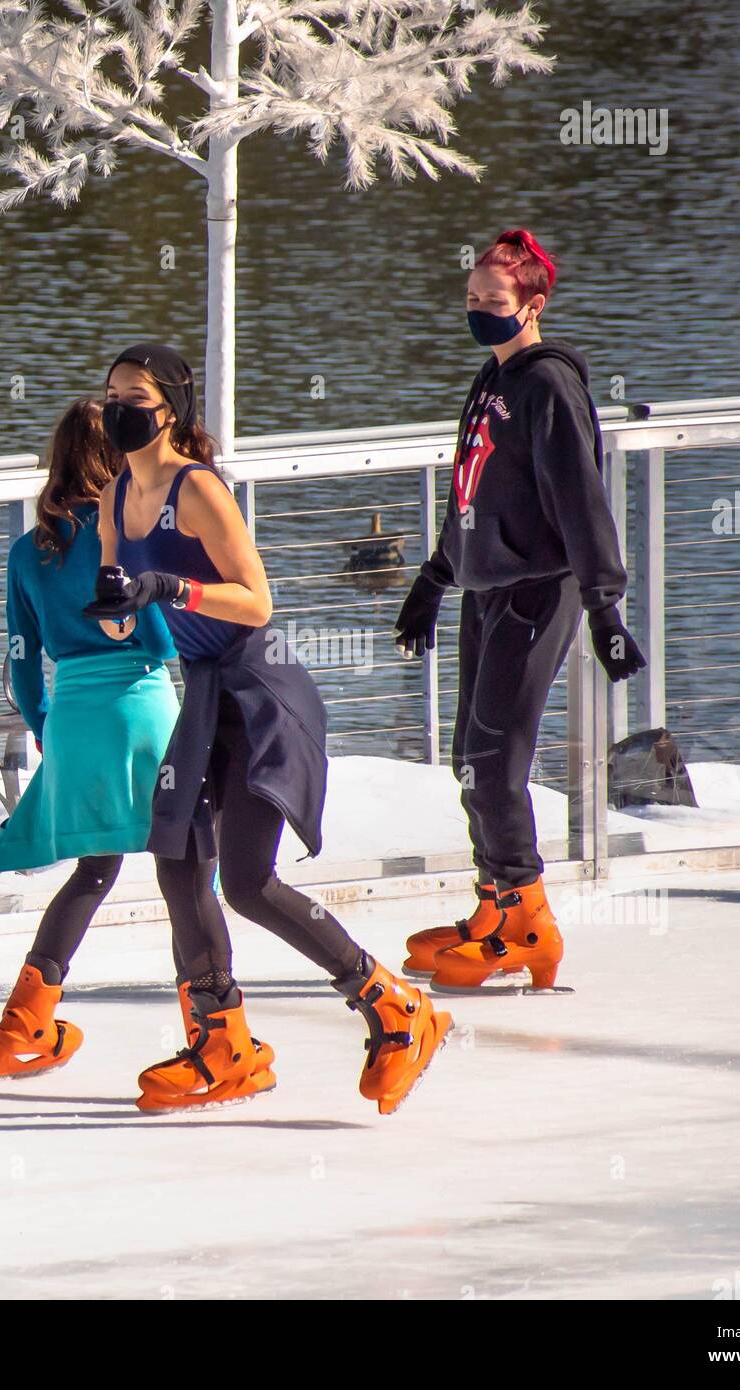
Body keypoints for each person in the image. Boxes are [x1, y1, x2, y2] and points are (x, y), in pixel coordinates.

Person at [83, 342, 453, 1114]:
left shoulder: (199, 490)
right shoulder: (116, 494)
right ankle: (224, 1047)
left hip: (260, 687)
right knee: (178, 860)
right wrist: (118, 614)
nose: (118, 406)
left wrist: (170, 586)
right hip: (203, 695)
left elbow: (257, 602)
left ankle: (395, 1008)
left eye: (134, 394)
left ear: (173, 407)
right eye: (111, 391)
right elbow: (127, 615)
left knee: (248, 881)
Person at [397, 229, 645, 993]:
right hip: (486, 586)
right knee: (467, 759)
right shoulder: (495, 377)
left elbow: (581, 498)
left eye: (493, 301)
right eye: (471, 299)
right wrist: (434, 578)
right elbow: (474, 489)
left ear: (533, 305)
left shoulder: (548, 385)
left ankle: (529, 923)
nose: (477, 311)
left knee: (495, 762)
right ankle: (493, 907)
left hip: (541, 587)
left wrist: (604, 609)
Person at [0, 398, 180, 1077]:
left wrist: (45, 730)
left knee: (93, 870)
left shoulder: (26, 552)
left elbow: (20, 662)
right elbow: (157, 639)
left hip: (72, 716)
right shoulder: (127, 532)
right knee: (184, 861)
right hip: (141, 704)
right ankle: (213, 1023)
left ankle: (24, 1021)